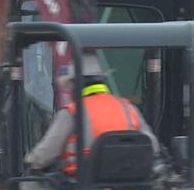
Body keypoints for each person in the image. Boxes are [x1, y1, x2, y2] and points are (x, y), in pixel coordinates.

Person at [24, 54, 158, 175]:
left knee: (32, 186)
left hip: (83, 186)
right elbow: (153, 146)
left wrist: (30, 162)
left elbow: (45, 153)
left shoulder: (71, 112)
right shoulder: (128, 107)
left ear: (76, 84)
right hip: (129, 182)